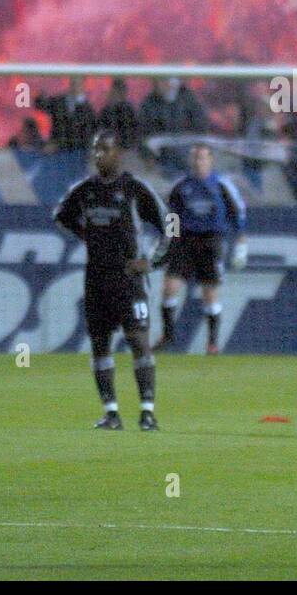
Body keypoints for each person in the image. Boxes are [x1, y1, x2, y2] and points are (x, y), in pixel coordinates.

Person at [53, 130, 170, 431]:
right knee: (100, 345)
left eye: (104, 149)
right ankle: (111, 413)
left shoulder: (134, 189)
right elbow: (61, 215)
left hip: (129, 280)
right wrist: (87, 236)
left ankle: (147, 412)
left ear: (118, 153)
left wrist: (152, 261)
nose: (98, 155)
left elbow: (171, 224)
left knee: (138, 342)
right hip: (96, 280)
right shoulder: (84, 190)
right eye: (95, 150)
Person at [156, 143, 248, 353]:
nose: (198, 162)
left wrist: (241, 242)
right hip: (185, 240)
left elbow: (238, 212)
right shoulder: (181, 185)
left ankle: (212, 343)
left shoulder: (222, 185)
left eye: (202, 158)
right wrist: (168, 239)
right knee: (169, 287)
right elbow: (171, 213)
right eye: (195, 158)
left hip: (211, 240)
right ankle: (167, 336)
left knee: (209, 293)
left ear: (210, 160)